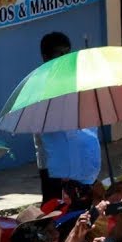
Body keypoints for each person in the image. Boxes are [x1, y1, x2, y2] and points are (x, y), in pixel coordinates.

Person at [34, 32, 101, 200]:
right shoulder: (39, 85)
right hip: (54, 164)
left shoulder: (77, 81)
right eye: (60, 53)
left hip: (80, 158)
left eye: (68, 52)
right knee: (55, 211)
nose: (65, 57)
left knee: (83, 209)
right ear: (46, 57)